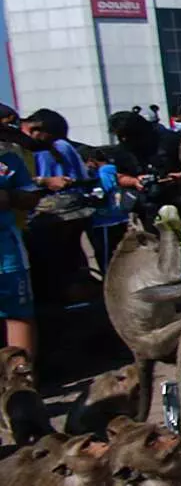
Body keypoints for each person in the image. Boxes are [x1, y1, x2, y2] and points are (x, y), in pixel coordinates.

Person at [21, 109, 97, 306]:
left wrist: (42, 182)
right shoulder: (61, 146)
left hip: (49, 214)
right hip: (73, 209)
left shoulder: (39, 149)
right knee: (73, 262)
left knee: (52, 268)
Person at [0, 119, 39, 356]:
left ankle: (21, 385)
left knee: (18, 315)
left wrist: (8, 197)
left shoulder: (9, 158)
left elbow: (30, 197)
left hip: (7, 258)